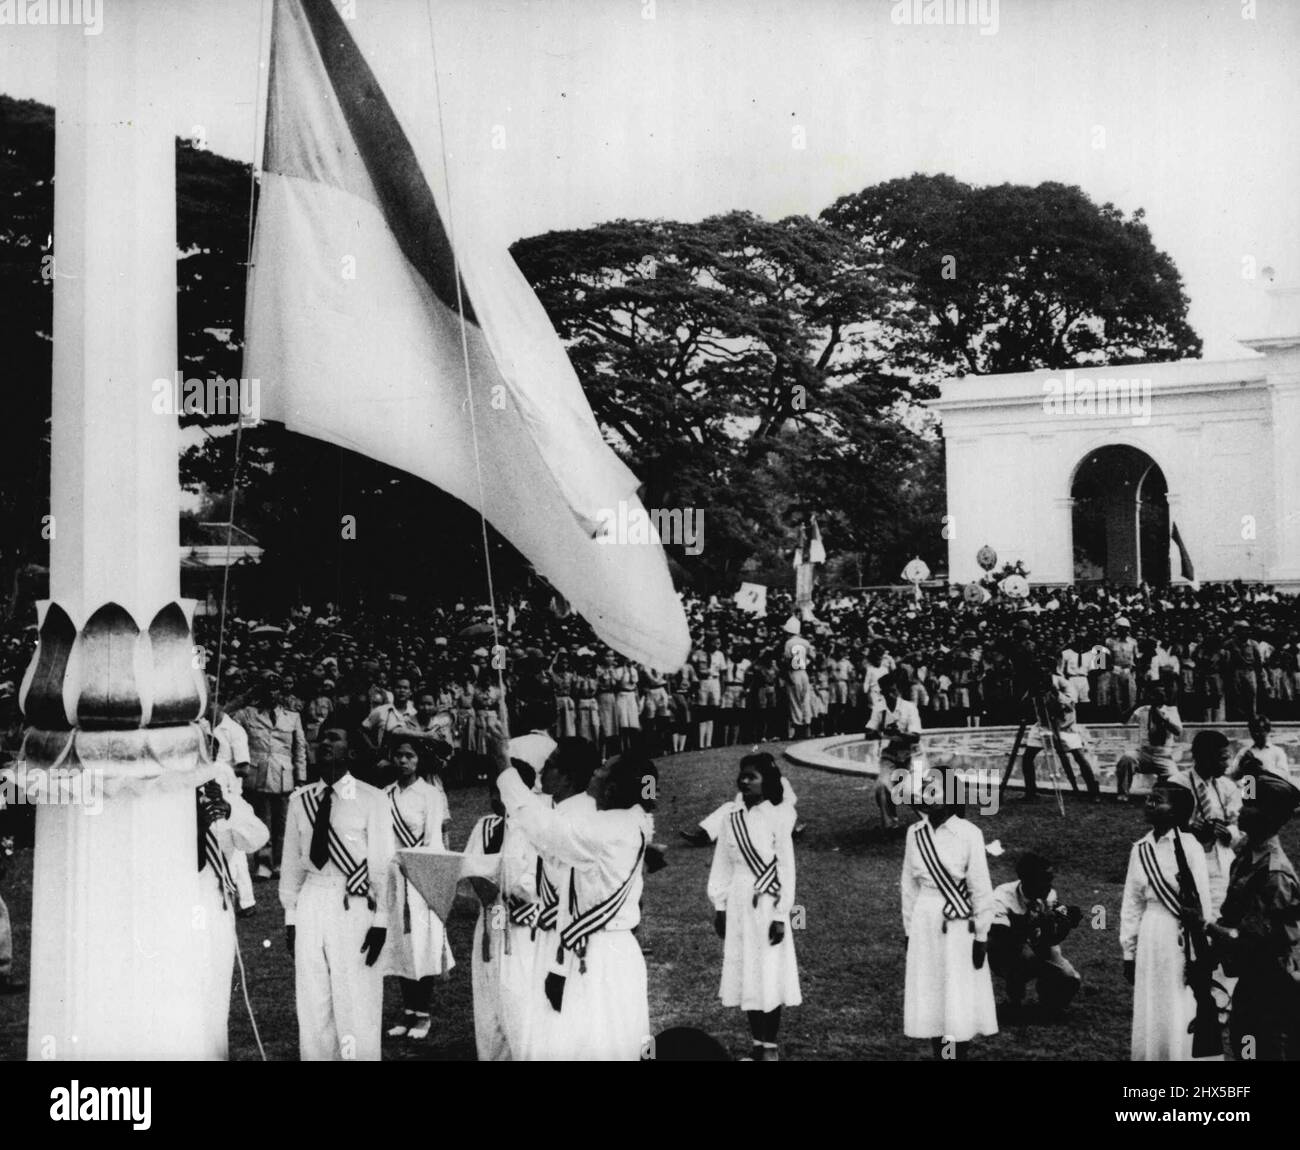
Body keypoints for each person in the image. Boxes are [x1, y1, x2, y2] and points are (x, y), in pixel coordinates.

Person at [492, 714, 655, 1062]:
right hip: (592, 949)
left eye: (602, 770)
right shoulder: (620, 821)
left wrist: (504, 768)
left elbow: (546, 830)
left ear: (613, 787)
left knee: (594, 1041)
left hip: (598, 953)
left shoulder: (608, 830)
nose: (595, 772)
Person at [280, 726, 394, 1061]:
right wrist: (291, 917)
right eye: (321, 739)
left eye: (335, 738)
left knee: (355, 996)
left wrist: (381, 920)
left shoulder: (372, 799)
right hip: (312, 900)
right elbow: (292, 864)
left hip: (354, 903)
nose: (325, 743)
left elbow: (382, 866)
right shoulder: (301, 801)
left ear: (353, 752)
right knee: (313, 999)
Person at [900, 763, 998, 1060]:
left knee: (957, 999)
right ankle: (941, 1057)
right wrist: (908, 930)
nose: (927, 794)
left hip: (959, 926)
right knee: (933, 998)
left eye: (935, 788)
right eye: (925, 787)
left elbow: (980, 887)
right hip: (925, 921)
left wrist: (982, 935)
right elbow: (908, 886)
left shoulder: (969, 833)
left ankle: (958, 1057)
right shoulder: (914, 833)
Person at [707, 752, 800, 1061]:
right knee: (746, 970)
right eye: (742, 776)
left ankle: (769, 1046)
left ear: (767, 782)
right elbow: (722, 864)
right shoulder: (730, 817)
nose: (744, 781)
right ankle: (757, 1044)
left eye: (752, 777)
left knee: (768, 972)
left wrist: (780, 915)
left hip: (767, 901)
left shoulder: (777, 816)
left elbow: (786, 867)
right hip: (737, 900)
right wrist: (719, 905)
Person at [1119, 780, 1216, 1062]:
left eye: (1157, 799)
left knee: (1178, 998)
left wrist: (1201, 950)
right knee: (1151, 999)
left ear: (1176, 812)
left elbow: (1202, 903)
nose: (1149, 803)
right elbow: (1132, 902)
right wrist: (1129, 951)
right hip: (1151, 931)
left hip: (1181, 934)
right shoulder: (1140, 849)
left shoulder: (1190, 847)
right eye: (1149, 797)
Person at [517, 735, 600, 1060]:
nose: (542, 771)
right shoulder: (554, 810)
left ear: (567, 776)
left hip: (570, 943)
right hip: (545, 936)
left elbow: (577, 903)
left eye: (550, 766)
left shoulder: (581, 817)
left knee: (569, 1027)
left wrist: (559, 966)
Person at [1207, 770, 1300, 1060]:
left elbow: (1253, 939)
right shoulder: (1248, 852)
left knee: (1265, 1046)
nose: (1241, 810)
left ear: (1270, 818)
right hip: (1252, 973)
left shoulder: (1274, 873)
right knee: (1243, 1041)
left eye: (1250, 805)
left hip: (1272, 979)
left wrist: (1205, 926)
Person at [465, 750, 541, 1062]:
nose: (494, 798)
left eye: (501, 791)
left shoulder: (535, 829)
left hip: (521, 925)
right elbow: (470, 867)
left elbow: (538, 882)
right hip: (492, 920)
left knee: (518, 997)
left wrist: (509, 887)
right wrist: (482, 883)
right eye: (491, 791)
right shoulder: (485, 827)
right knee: (489, 997)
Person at [382, 739, 454, 1042]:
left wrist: (414, 865)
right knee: (400, 944)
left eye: (409, 756)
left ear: (418, 761)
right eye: (398, 755)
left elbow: (433, 840)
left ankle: (423, 1013)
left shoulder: (430, 795)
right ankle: (408, 1011)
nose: (403, 761)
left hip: (420, 878)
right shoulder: (384, 794)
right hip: (392, 878)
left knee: (421, 944)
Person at [195, 764, 269, 1058]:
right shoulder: (169, 799)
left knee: (217, 978)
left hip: (216, 900)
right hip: (179, 898)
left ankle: (214, 1051)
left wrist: (229, 810)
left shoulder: (223, 801)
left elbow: (257, 837)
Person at [988, 853, 1082, 1021]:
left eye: (1050, 878)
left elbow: (1051, 938)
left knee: (1069, 978)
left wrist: (1065, 922)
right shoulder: (1002, 896)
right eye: (1044, 879)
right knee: (1025, 957)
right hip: (1004, 951)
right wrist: (1032, 926)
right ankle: (1014, 1000)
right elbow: (1000, 936)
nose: (1049, 884)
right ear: (1027, 879)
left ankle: (1047, 1002)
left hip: (1034, 945)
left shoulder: (1049, 893)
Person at [232, 671, 308, 879]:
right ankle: (263, 864)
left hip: (285, 775)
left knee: (282, 824)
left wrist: (301, 778)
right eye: (267, 689)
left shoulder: (292, 716)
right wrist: (245, 697)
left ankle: (280, 863)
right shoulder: (247, 714)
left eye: (276, 689)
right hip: (259, 775)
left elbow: (299, 749)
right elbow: (224, 721)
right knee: (261, 821)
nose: (272, 694)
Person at [1171, 730, 1242, 915]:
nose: (1227, 765)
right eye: (1222, 759)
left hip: (1220, 860)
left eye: (1228, 758)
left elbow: (1240, 825)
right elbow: (1163, 827)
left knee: (1220, 913)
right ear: (1204, 758)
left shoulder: (1228, 787)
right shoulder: (1177, 784)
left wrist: (1229, 833)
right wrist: (1188, 827)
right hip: (1186, 862)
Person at [1016, 661, 1100, 801]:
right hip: (1043, 724)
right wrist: (1031, 695)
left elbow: (1070, 704)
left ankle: (1093, 790)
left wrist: (1055, 693)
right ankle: (1030, 792)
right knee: (1028, 757)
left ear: (1051, 671)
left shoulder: (1064, 683)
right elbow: (1024, 705)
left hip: (1064, 725)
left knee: (1078, 756)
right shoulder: (1036, 684)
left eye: (1044, 672)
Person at [864, 672, 922, 830]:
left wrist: (898, 733)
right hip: (889, 756)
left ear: (898, 690)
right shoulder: (880, 709)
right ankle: (890, 823)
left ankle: (929, 820)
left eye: (893, 690)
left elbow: (916, 736)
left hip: (912, 755)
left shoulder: (909, 708)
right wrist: (878, 731)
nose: (890, 694)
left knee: (913, 790)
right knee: (882, 785)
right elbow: (868, 732)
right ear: (882, 692)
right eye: (886, 691)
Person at [1113, 683, 1182, 800]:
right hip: (1144, 753)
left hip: (1163, 756)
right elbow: (1123, 720)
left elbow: (1178, 731)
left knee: (1175, 780)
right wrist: (1136, 704)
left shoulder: (1171, 710)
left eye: (1161, 694)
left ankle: (1159, 790)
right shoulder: (1142, 710)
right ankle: (1123, 793)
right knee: (1127, 758)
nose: (1158, 697)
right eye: (1155, 694)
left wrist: (1164, 719)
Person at [1229, 714, 1291, 781]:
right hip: (1250, 787)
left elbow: (1285, 775)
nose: (1256, 734)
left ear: (1267, 731)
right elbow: (1233, 776)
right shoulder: (1244, 752)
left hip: (1271, 788)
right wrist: (1241, 764)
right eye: (1253, 731)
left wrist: (1264, 769)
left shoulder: (1277, 751)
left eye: (1259, 730)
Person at [781, 618, 814, 739]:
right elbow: (812, 657)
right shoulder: (806, 642)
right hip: (803, 672)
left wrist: (786, 675)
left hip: (794, 671)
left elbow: (787, 660)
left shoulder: (789, 643)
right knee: (805, 699)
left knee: (794, 701)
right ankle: (807, 725)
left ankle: (798, 728)